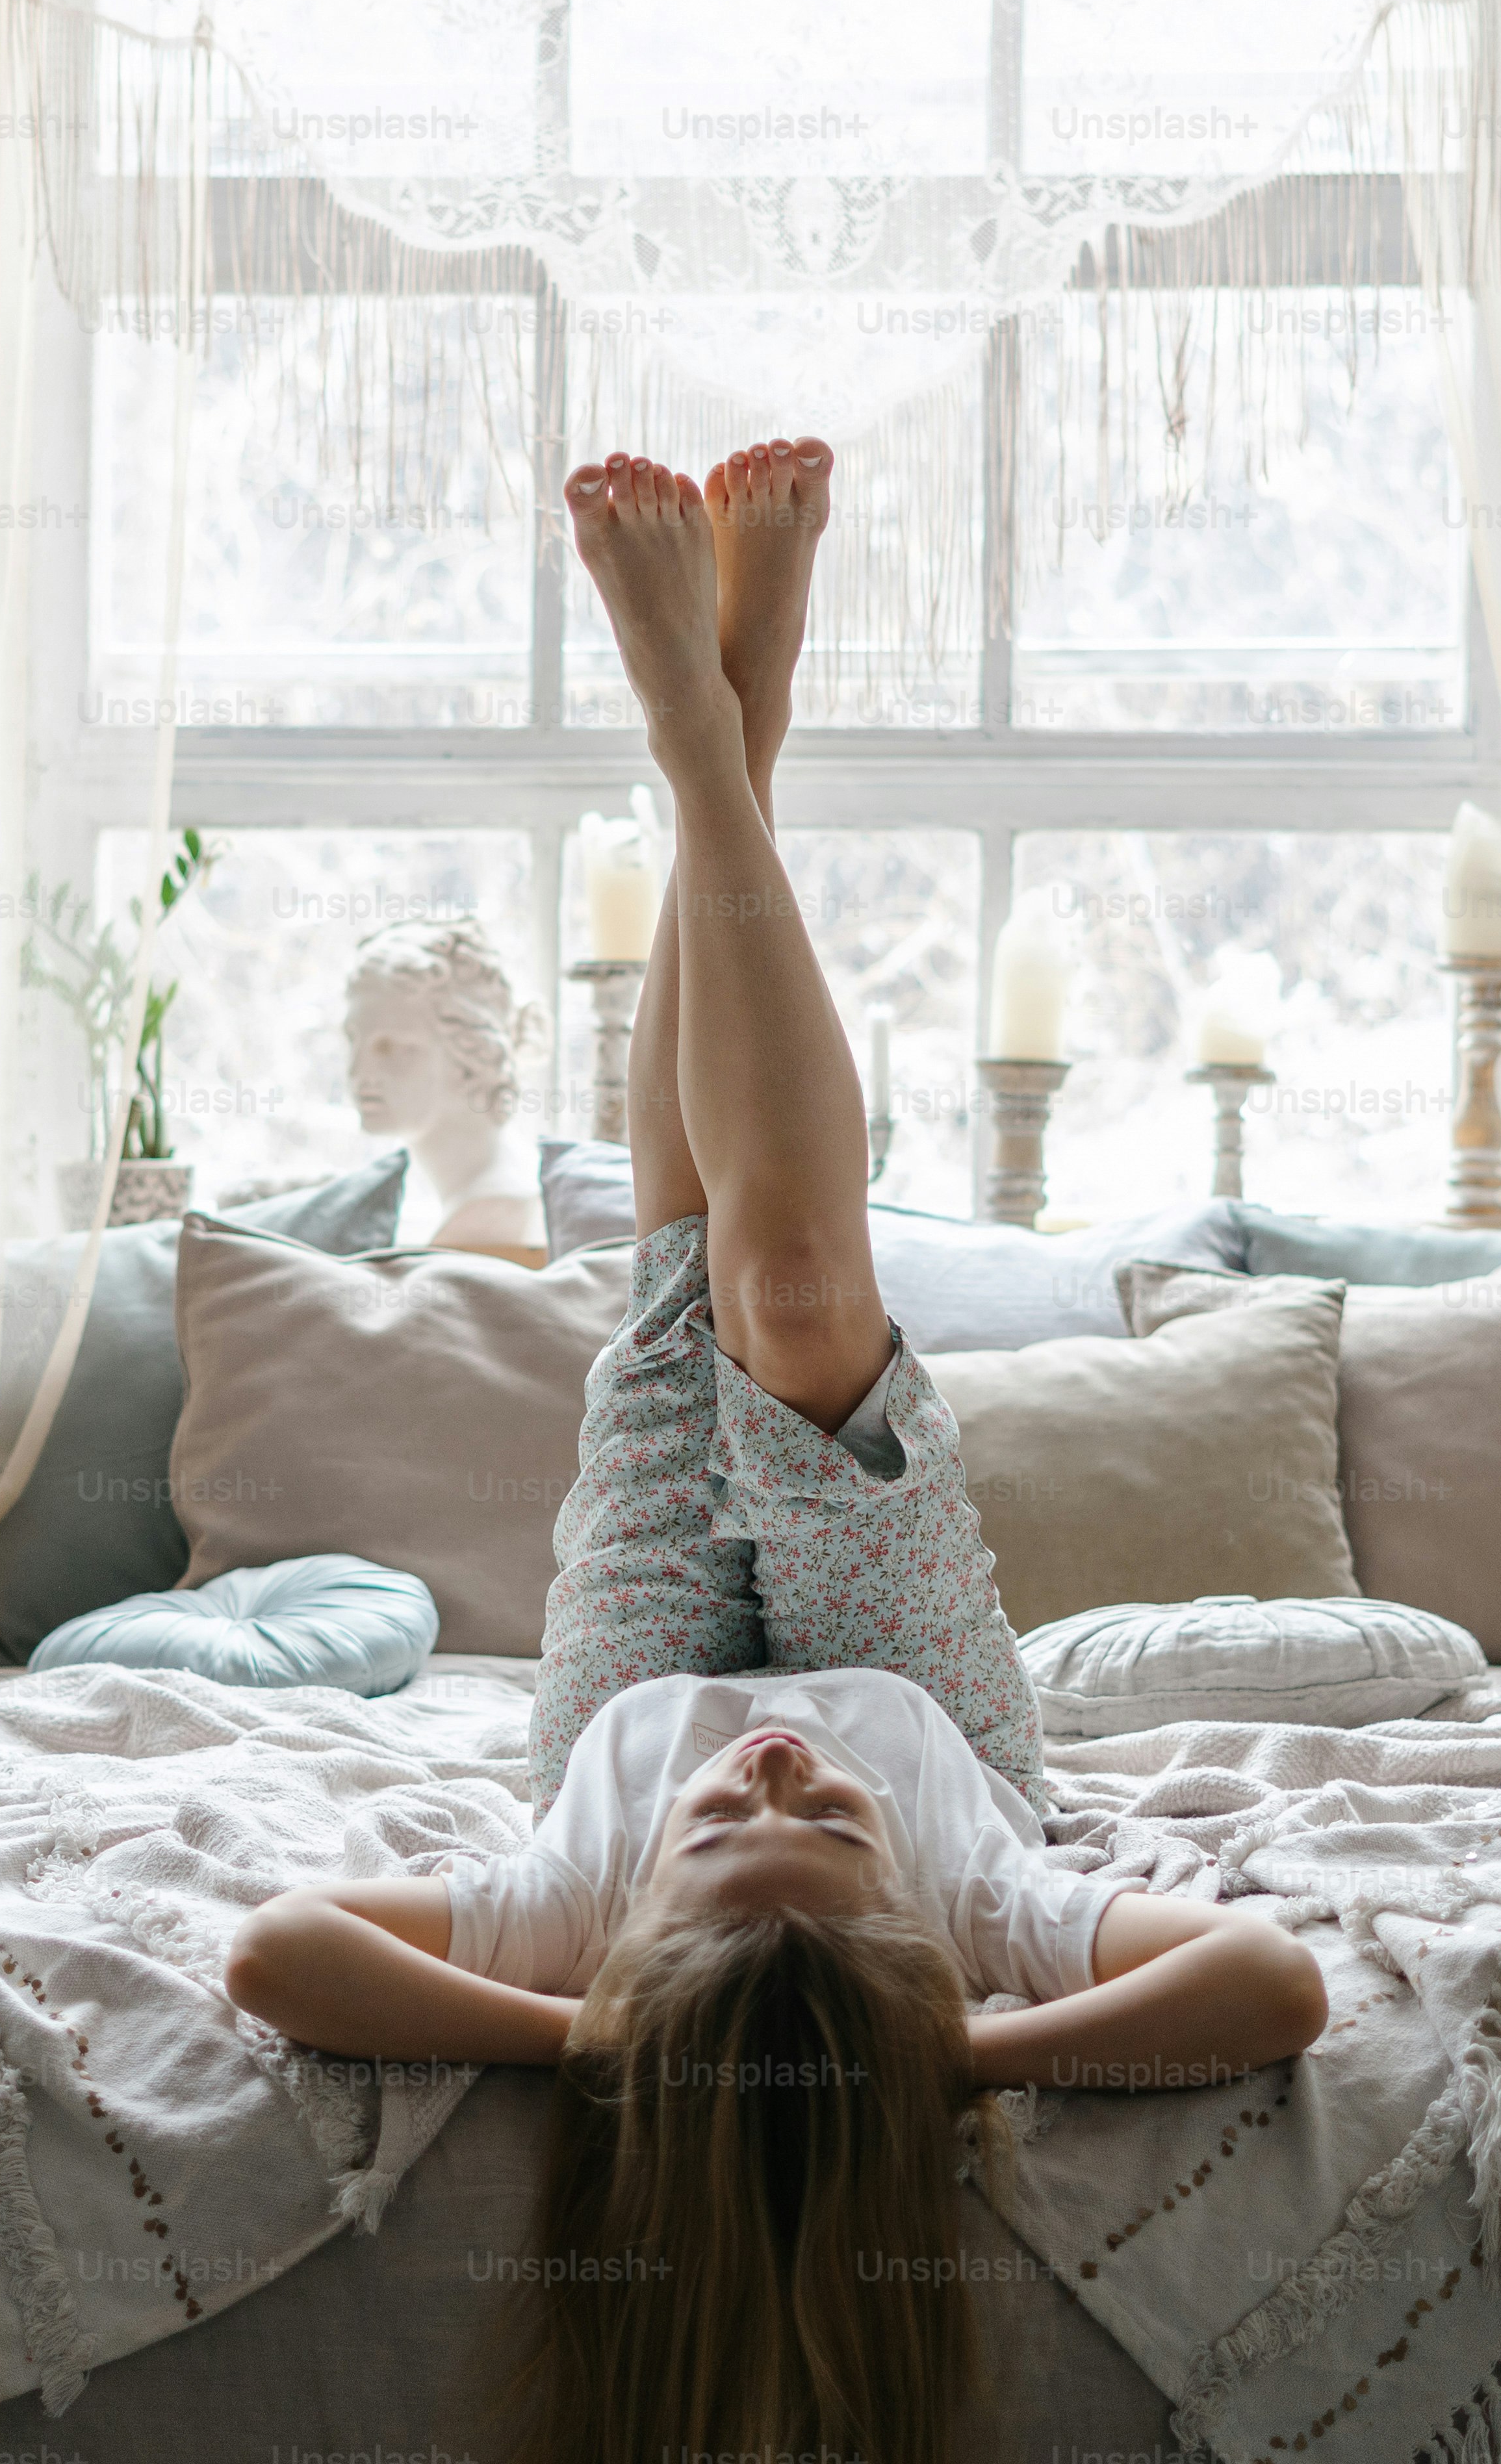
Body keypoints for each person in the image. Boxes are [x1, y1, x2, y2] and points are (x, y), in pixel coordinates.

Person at [225, 439, 1329, 2464]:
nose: (776, 1773)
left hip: (622, 1671)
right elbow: (1271, 1987)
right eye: (824, 1828)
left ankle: (721, 743)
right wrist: (953, 2051)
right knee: (800, 1286)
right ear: (908, 1921)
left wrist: (610, 2032)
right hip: (934, 1679)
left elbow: (278, 1954)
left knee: (681, 1261)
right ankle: (718, 735)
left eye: (732, 1830)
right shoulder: (982, 1922)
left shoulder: (580, 1915)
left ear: (648, 1925)